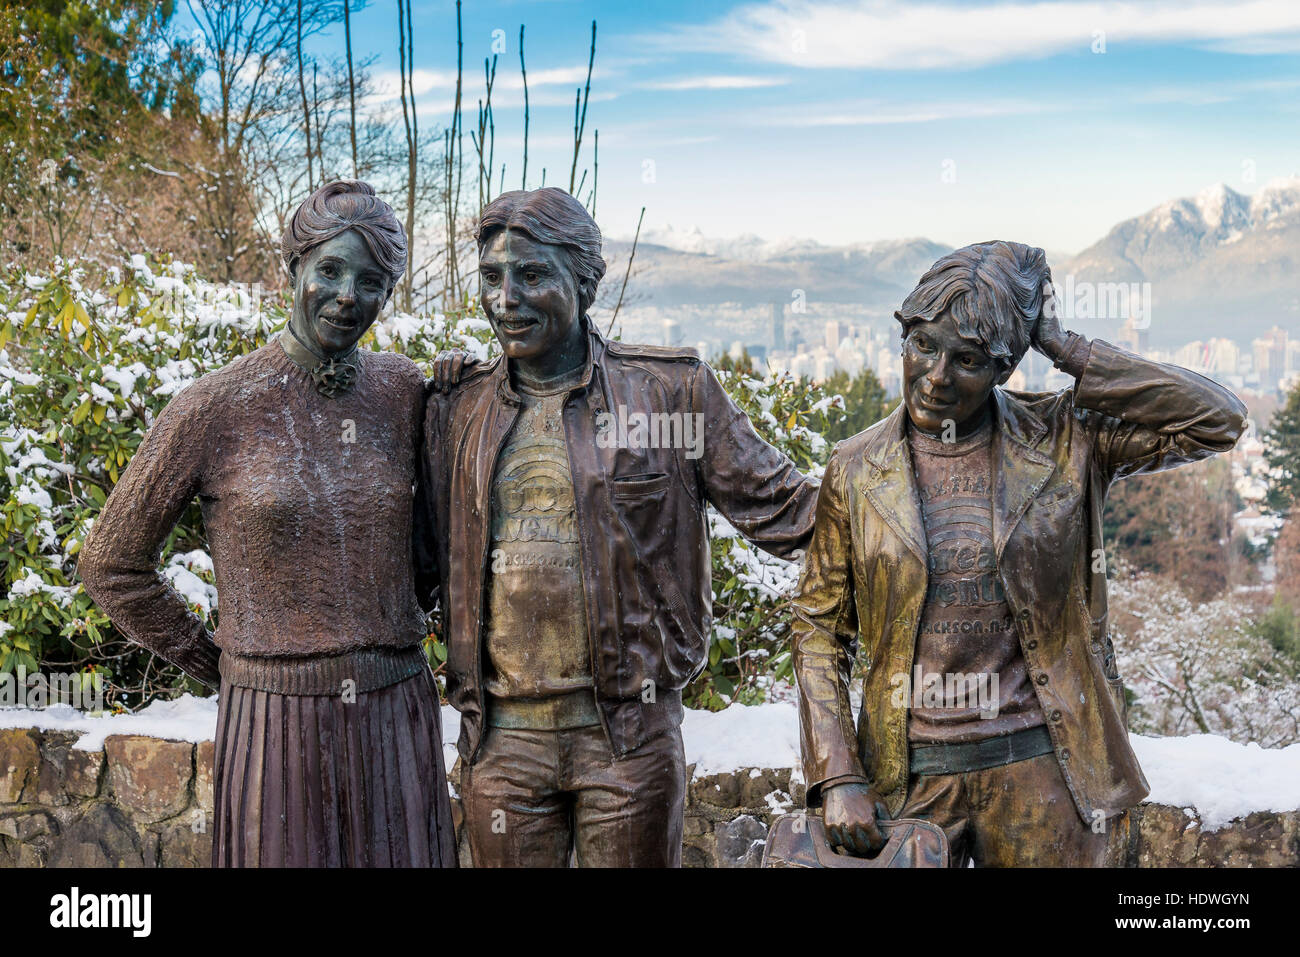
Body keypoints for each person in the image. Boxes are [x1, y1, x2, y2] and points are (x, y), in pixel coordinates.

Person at [791, 240, 1247, 867]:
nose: (937, 376)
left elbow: (1217, 420)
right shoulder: (855, 468)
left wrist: (1068, 348)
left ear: (1006, 368)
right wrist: (837, 773)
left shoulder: (1067, 441)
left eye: (969, 360)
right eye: (923, 346)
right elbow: (818, 629)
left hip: (1042, 770)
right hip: (909, 780)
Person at [421, 187, 819, 867]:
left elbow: (789, 510)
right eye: (491, 277)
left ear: (585, 282)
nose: (506, 297)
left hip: (629, 737)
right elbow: (420, 558)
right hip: (501, 740)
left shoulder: (669, 393)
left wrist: (913, 474)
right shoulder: (455, 408)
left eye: (532, 275)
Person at [79, 180, 457, 867]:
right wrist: (206, 653)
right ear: (294, 270)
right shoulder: (214, 407)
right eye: (331, 270)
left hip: (397, 715)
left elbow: (439, 544)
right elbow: (110, 561)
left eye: (371, 280)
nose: (349, 294)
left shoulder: (405, 391)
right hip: (275, 722)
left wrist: (465, 389)